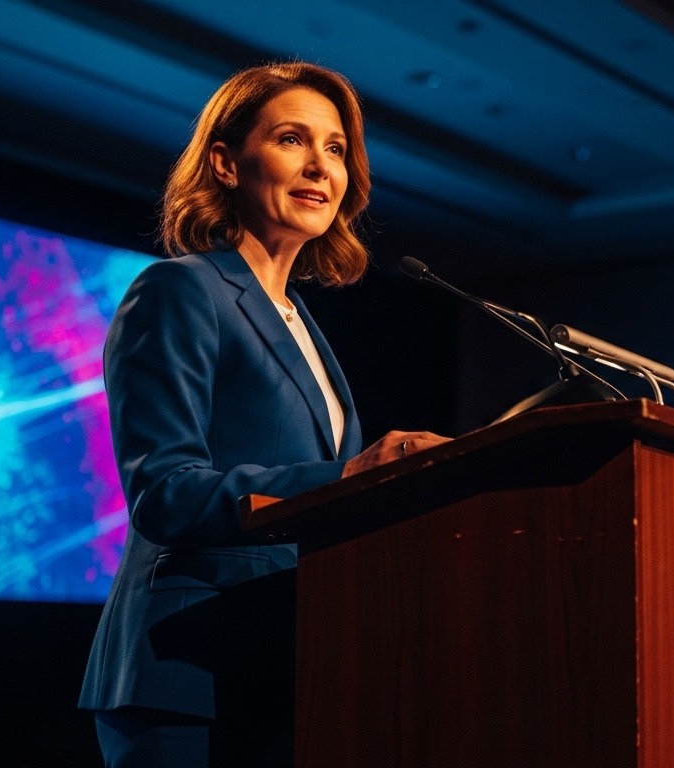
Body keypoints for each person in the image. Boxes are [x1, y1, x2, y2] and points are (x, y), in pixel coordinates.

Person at [78, 62, 449, 767]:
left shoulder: (302, 322)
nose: (320, 166)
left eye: (335, 148)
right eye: (291, 139)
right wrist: (351, 478)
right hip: (188, 671)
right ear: (226, 163)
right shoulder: (180, 290)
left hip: (286, 670)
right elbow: (164, 492)